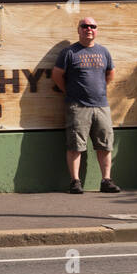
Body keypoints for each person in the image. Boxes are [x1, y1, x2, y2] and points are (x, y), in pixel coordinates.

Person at [52, 17, 121, 194]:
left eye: (92, 26)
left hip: (101, 106)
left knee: (105, 144)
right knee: (76, 145)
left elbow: (110, 74)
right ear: (79, 30)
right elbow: (57, 75)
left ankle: (106, 180)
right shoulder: (69, 52)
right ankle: (75, 181)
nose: (88, 29)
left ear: (96, 30)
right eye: (85, 26)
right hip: (77, 106)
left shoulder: (103, 52)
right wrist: (68, 92)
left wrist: (100, 90)